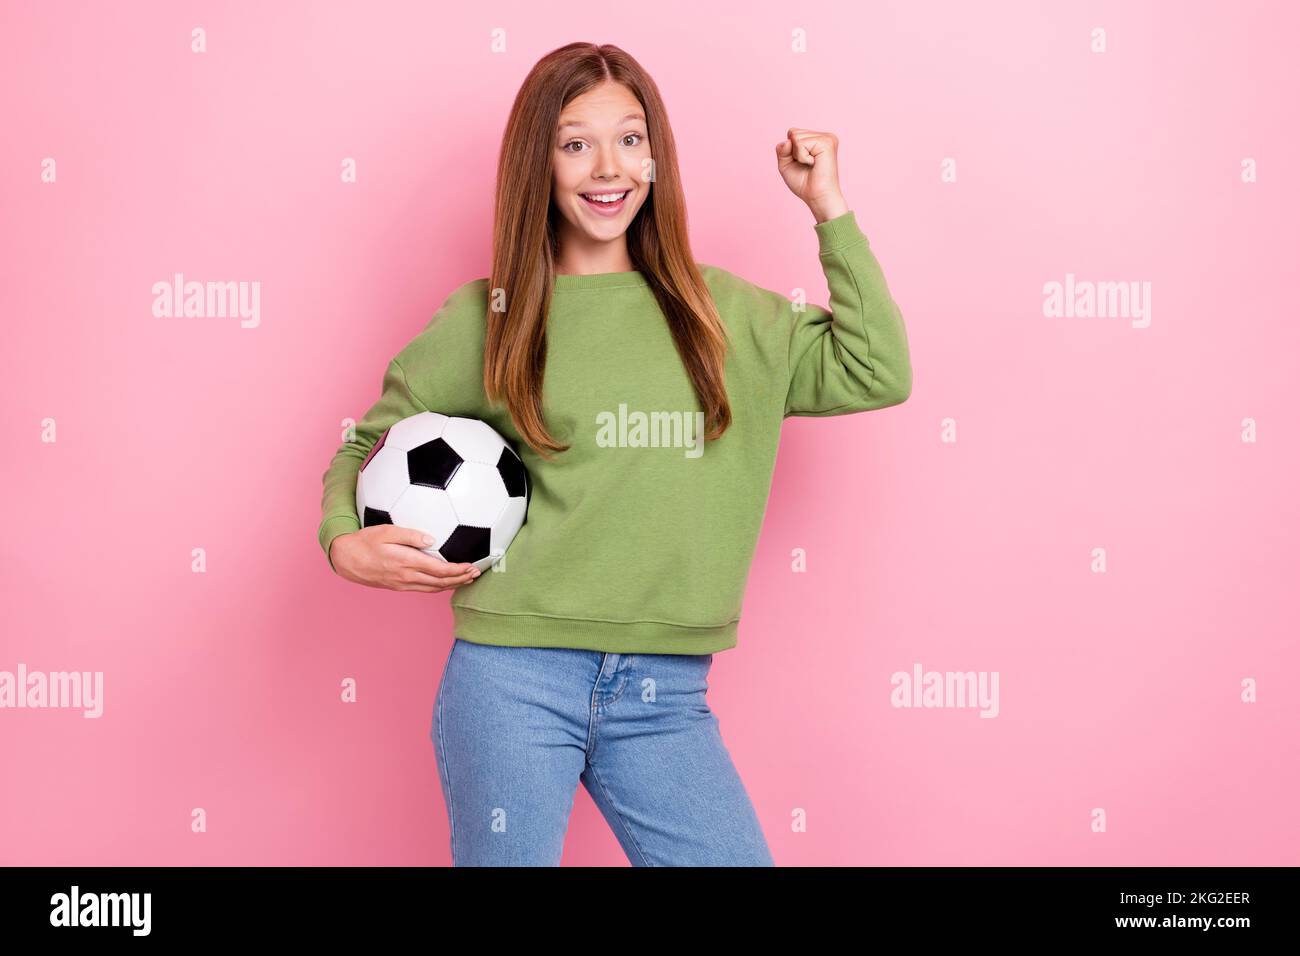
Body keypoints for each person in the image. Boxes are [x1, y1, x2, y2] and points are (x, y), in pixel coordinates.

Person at [317, 41, 913, 866]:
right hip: (510, 681)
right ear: (541, 163)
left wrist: (829, 208)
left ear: (658, 159)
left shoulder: (727, 315)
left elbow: (876, 368)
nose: (609, 167)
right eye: (575, 143)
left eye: (632, 139)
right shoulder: (490, 315)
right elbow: (362, 437)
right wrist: (344, 541)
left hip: (667, 695)